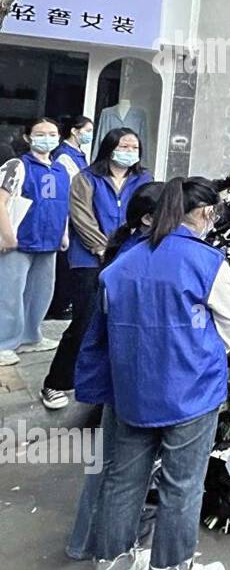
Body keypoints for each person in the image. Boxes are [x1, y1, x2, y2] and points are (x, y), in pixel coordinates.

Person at [87, 176, 230, 570]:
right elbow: (228, 324)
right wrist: (200, 356)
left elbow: (106, 323)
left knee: (122, 479)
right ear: (204, 214)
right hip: (190, 389)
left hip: (132, 387)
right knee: (182, 484)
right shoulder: (206, 260)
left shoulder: (123, 262)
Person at [65, 181, 164, 564]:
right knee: (115, 468)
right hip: (124, 375)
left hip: (119, 374)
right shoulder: (135, 258)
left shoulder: (131, 250)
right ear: (148, 219)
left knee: (109, 464)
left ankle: (87, 541)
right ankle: (99, 546)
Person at [43, 129, 153, 409]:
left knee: (119, 323)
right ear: (109, 147)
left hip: (128, 258)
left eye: (133, 146)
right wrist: (104, 248)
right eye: (123, 145)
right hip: (89, 260)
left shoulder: (143, 179)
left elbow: (146, 215)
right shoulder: (87, 178)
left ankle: (101, 385)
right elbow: (81, 217)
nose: (129, 150)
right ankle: (56, 382)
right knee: (85, 321)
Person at [0, 118, 71, 376]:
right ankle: (4, 342)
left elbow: (63, 205)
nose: (47, 138)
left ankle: (31, 336)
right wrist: (7, 236)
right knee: (9, 294)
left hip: (49, 240)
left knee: (40, 292)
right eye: (40, 134)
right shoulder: (17, 165)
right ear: (28, 138)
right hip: (19, 241)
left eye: (52, 133)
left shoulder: (60, 170)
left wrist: (63, 235)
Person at [47, 116, 94, 320]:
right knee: (64, 264)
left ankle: (63, 302)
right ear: (75, 131)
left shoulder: (78, 154)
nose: (89, 134)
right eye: (87, 130)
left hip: (77, 213)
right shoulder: (64, 155)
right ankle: (59, 304)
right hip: (68, 214)